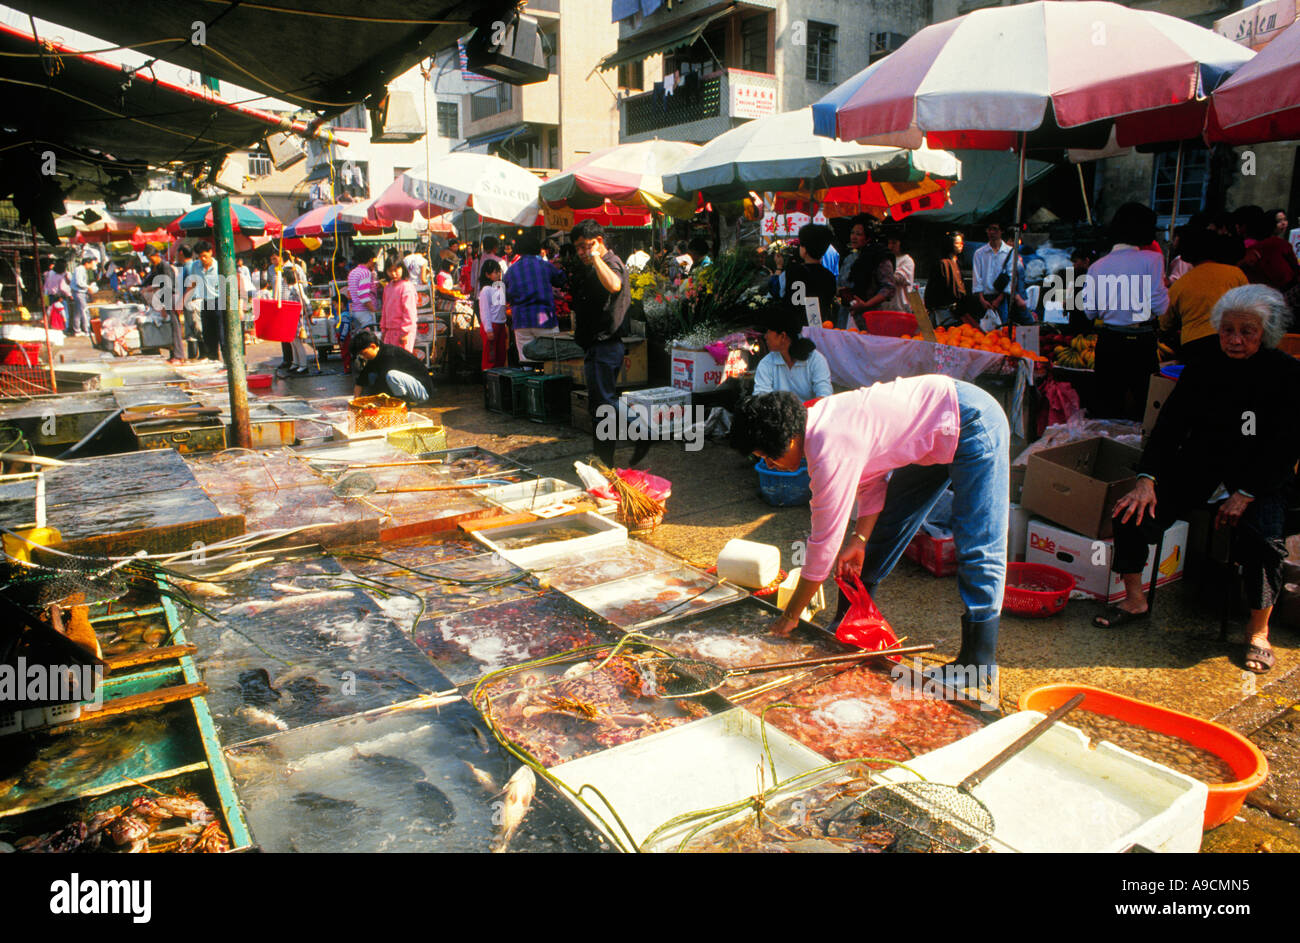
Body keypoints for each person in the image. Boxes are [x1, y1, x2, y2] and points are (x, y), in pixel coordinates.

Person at [731, 375, 1010, 702]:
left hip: (972, 419)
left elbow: (823, 545)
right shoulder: (815, 419)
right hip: (934, 424)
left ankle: (978, 664)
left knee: (978, 543)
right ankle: (849, 624)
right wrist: (860, 538)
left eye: (767, 456)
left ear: (788, 440)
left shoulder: (826, 444)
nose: (769, 463)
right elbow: (871, 481)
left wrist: (790, 616)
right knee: (887, 524)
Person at [1100, 286, 1300, 675]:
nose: (1235, 340)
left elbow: (1285, 445)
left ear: (1268, 332)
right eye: (1227, 330)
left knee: (1263, 541)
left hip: (1260, 476)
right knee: (1130, 512)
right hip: (1202, 468)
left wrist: (1245, 493)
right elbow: (1170, 427)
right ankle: (1135, 599)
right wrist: (1146, 479)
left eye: (1247, 331)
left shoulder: (1287, 375)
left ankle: (1258, 632)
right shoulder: (1204, 363)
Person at [1086, 203, 1170, 420]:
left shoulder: (1097, 266)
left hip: (1109, 342)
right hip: (1141, 343)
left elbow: (1090, 312)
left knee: (1107, 408)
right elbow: (1160, 307)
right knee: (1145, 408)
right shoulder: (1153, 260)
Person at [570, 219, 633, 466]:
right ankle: (604, 459)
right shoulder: (597, 265)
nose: (582, 253)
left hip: (605, 346)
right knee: (601, 404)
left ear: (599, 242)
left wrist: (595, 258)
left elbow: (615, 284)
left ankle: (605, 463)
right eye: (578, 248)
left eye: (586, 246)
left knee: (603, 407)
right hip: (598, 346)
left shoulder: (610, 263)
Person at [1161, 229, 1249, 366]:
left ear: (1184, 254)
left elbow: (1165, 324)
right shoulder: (1236, 274)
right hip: (1234, 342)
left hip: (1194, 346)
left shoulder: (1179, 286)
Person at [505, 231, 565, 362]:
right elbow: (561, 281)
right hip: (544, 319)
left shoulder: (511, 270)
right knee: (550, 362)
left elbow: (504, 295)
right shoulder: (545, 266)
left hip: (521, 320)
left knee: (527, 363)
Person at [753, 305, 833, 400]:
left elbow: (825, 397)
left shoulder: (816, 360)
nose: (765, 337)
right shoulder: (766, 363)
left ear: (782, 336)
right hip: (778, 414)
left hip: (812, 413)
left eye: (768, 332)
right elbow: (760, 397)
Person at [350, 329, 434, 405]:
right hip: (411, 387)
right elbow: (361, 381)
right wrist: (356, 401)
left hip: (422, 392)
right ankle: (399, 401)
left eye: (364, 353)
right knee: (371, 375)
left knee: (392, 376)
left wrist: (376, 402)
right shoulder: (374, 356)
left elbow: (384, 385)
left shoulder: (389, 354)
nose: (363, 357)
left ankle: (402, 403)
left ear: (373, 346)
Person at [971, 222, 1027, 328]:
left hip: (1001, 298)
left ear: (1001, 231)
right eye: (989, 229)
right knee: (983, 332)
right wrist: (982, 299)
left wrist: (999, 299)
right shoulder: (979, 253)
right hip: (984, 298)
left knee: (1002, 331)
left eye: (995, 229)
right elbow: (977, 277)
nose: (992, 232)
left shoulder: (1009, 252)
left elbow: (1012, 278)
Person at [1237, 205, 1300, 297]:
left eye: (1284, 219)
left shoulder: (1279, 243)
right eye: (1279, 221)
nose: (1283, 223)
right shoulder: (1278, 244)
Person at [784, 224, 838, 328]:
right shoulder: (829, 276)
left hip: (795, 325)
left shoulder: (793, 271)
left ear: (804, 250)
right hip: (821, 327)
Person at [143, 247, 185, 364]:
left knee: (175, 326)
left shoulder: (165, 267)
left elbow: (168, 285)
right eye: (148, 258)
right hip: (162, 299)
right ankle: (173, 354)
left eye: (151, 257)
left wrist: (154, 287)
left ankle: (179, 355)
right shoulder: (155, 268)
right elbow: (148, 281)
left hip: (170, 297)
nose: (150, 260)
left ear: (157, 255)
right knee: (169, 327)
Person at [184, 242, 224, 362]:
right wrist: (184, 300)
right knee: (208, 334)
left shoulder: (219, 266)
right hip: (205, 301)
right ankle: (213, 359)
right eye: (200, 256)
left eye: (205, 256)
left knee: (221, 333)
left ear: (211, 252)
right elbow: (192, 283)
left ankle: (227, 362)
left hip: (219, 301)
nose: (203, 259)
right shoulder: (196, 266)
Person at [342, 248, 378, 373]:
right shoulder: (365, 273)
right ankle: (369, 365)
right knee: (369, 340)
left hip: (356, 310)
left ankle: (361, 365)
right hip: (364, 311)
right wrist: (374, 310)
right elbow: (363, 295)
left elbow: (351, 293)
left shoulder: (353, 272)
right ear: (370, 259)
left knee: (360, 338)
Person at [924, 231, 969, 327]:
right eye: (957, 243)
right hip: (945, 311)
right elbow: (934, 289)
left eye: (961, 243)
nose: (961, 245)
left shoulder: (956, 262)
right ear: (950, 244)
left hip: (956, 310)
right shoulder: (943, 264)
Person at [380, 253, 418, 353]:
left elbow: (409, 313)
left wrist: (405, 332)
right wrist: (383, 329)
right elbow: (384, 310)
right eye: (390, 270)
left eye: (396, 270)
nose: (393, 273)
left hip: (403, 332)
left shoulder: (407, 287)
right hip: (389, 331)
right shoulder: (387, 287)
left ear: (402, 269)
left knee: (402, 361)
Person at [282, 267, 314, 375]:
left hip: (297, 318)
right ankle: (296, 362)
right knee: (292, 342)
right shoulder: (291, 288)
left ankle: (303, 365)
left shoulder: (296, 288)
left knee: (297, 342)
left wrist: (309, 315)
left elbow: (306, 302)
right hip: (291, 317)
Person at [478, 259, 508, 370]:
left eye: (499, 272)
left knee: (501, 355)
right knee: (491, 356)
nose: (498, 274)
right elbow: (485, 311)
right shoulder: (486, 290)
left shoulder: (499, 287)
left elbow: (500, 308)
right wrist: (489, 329)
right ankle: (488, 379)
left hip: (500, 324)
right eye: (495, 272)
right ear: (487, 274)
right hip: (491, 326)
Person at [179, 245, 204, 360]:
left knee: (197, 330)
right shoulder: (188, 266)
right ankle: (193, 357)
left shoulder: (190, 267)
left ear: (181, 253)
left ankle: (204, 355)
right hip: (190, 302)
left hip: (193, 301)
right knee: (191, 332)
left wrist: (182, 301)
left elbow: (192, 285)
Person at [885, 230, 915, 312]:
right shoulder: (887, 259)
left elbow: (899, 278)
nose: (890, 246)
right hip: (886, 307)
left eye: (894, 243)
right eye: (889, 243)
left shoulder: (907, 260)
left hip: (900, 307)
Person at [68, 256, 94, 337]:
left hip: (79, 292)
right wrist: (88, 287)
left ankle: (77, 330)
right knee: (84, 311)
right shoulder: (80, 269)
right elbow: (79, 282)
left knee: (78, 312)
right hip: (79, 292)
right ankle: (87, 330)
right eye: (92, 263)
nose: (93, 265)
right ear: (87, 263)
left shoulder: (81, 269)